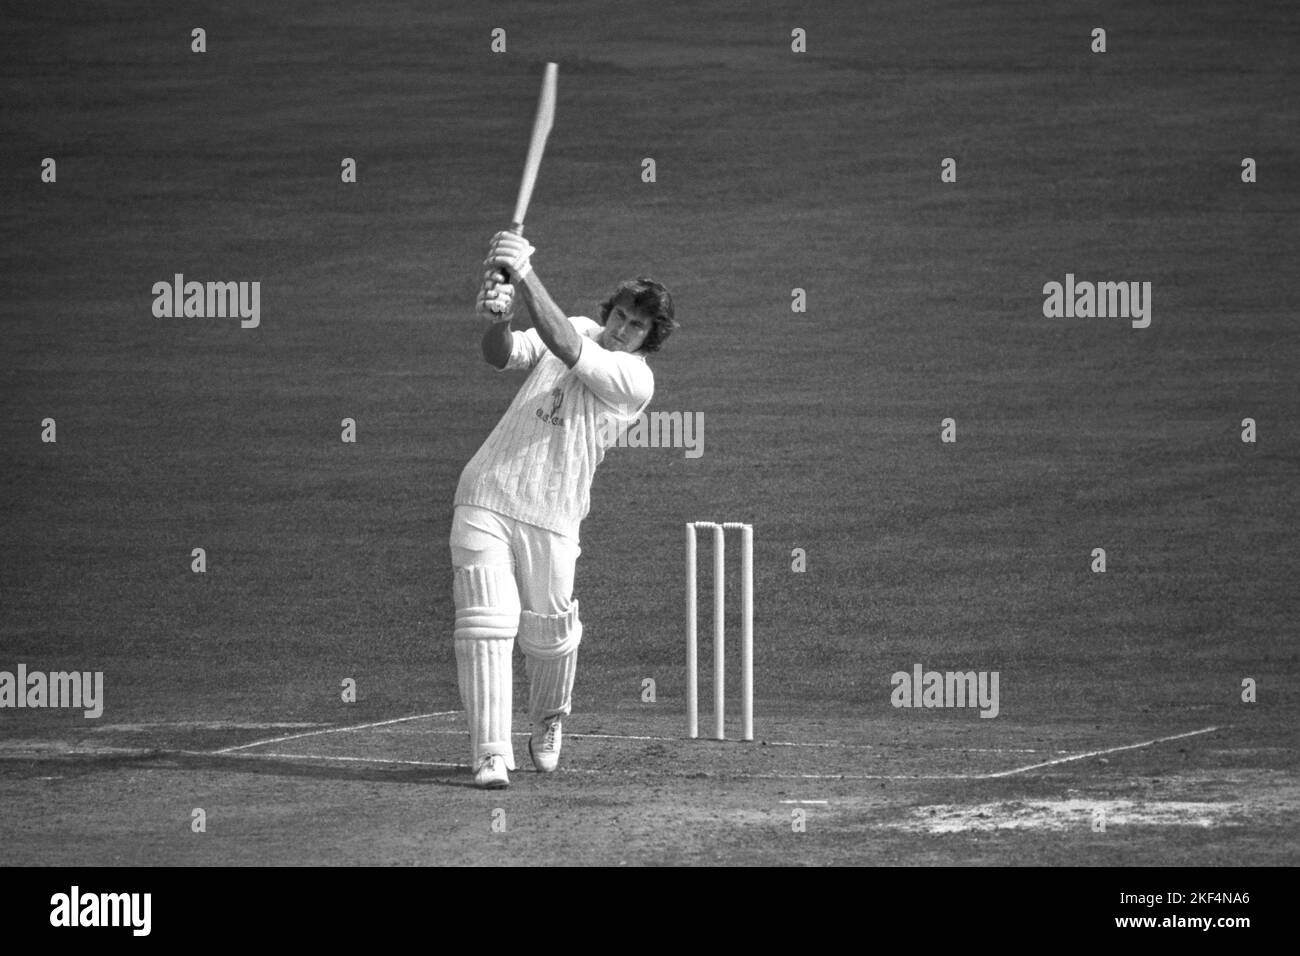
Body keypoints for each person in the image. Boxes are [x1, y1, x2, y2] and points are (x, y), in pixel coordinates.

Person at [450, 230, 676, 788]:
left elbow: (571, 353)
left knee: (549, 637)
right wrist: (497, 318)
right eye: (619, 315)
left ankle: (549, 719)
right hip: (488, 493)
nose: (621, 329)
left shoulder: (635, 379)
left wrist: (523, 273)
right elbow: (503, 356)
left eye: (635, 325)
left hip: (554, 515)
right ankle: (490, 753)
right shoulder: (574, 324)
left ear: (650, 337)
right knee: (486, 624)